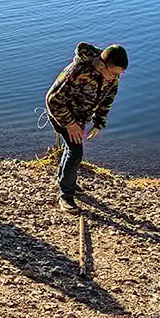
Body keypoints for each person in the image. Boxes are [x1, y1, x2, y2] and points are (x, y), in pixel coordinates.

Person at [46, 42, 128, 213]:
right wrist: (70, 124)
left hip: (81, 117)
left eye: (119, 74)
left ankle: (65, 180)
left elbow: (107, 100)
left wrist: (99, 123)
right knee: (75, 152)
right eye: (113, 73)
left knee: (72, 149)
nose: (115, 78)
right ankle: (66, 196)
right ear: (101, 64)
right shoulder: (77, 72)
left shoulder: (112, 76)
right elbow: (52, 100)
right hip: (61, 115)